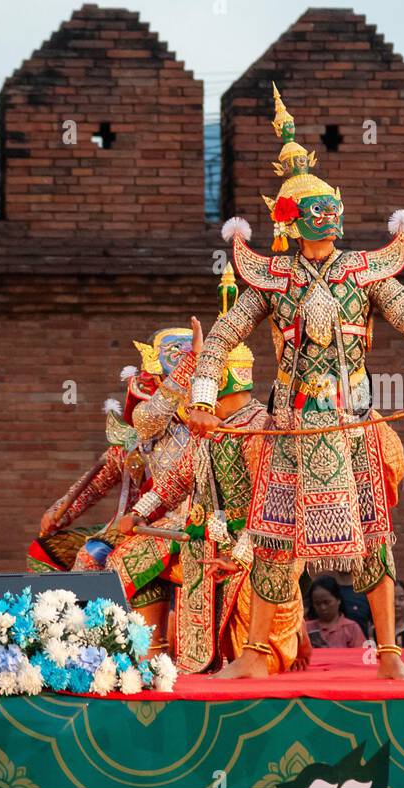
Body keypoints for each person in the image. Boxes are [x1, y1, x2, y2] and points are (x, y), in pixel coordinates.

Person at [186, 86, 404, 680]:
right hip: (290, 428)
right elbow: (223, 337)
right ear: (290, 220)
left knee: (376, 541)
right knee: (273, 541)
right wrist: (201, 399)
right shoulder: (273, 278)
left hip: (354, 426)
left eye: (332, 209)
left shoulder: (365, 272)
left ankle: (389, 655)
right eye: (315, 211)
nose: (327, 219)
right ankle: (253, 656)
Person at [119, 269, 308, 674]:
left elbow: (271, 508)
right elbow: (176, 480)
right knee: (140, 568)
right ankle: (157, 655)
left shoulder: (260, 430)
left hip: (257, 552)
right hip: (204, 544)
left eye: (202, 385)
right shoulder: (210, 430)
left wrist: (239, 557)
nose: (193, 398)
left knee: (255, 650)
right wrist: (138, 513)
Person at [33, 322, 200, 651]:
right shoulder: (137, 437)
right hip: (136, 524)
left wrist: (192, 361)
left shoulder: (200, 430)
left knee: (101, 557)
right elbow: (97, 482)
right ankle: (69, 642)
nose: (143, 409)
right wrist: (59, 512)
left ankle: (97, 646)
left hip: (186, 523)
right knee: (50, 552)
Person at [306, 577, 366, 649]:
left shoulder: (351, 628)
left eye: (327, 602)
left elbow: (360, 656)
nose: (323, 607)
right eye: (317, 604)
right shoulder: (306, 628)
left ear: (338, 600)